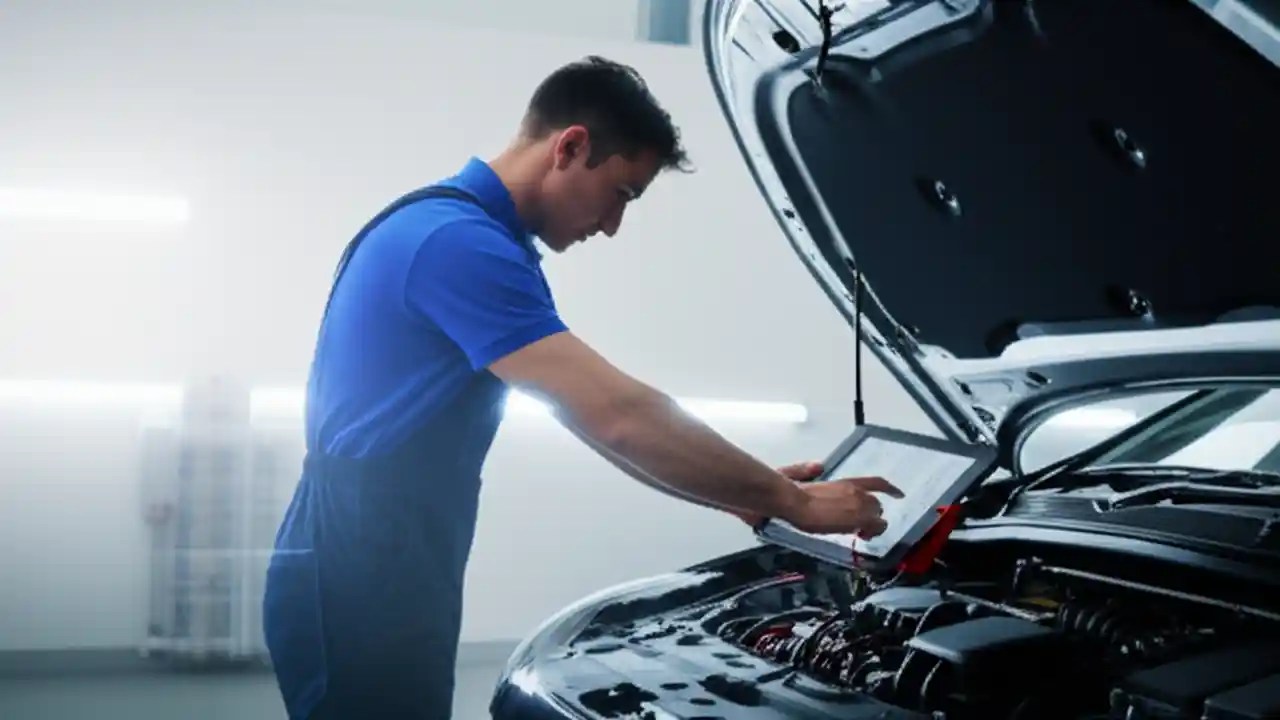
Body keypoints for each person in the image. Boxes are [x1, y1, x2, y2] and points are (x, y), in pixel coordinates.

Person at [262, 55, 903, 719]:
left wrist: (742, 497)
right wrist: (791, 502)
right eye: (623, 193)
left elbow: (593, 424)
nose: (612, 226)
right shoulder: (456, 244)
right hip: (356, 574)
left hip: (385, 561)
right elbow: (618, 414)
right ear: (571, 146)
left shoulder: (470, 236)